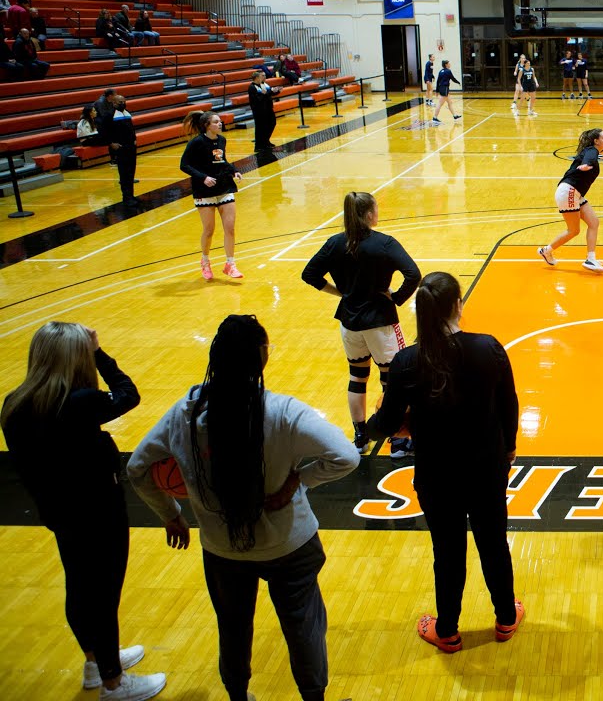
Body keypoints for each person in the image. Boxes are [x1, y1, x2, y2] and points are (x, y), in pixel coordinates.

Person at [128, 314, 360, 701]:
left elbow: (137, 469)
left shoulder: (186, 412)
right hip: (290, 545)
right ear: (262, 358)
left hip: (222, 549)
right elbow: (346, 457)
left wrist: (170, 514)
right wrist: (298, 480)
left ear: (215, 358)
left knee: (233, 627)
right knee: (303, 628)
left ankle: (238, 697)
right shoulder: (283, 412)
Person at [1, 322, 167, 701]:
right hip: (98, 511)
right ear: (76, 358)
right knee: (104, 595)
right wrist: (100, 355)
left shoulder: (15, 403)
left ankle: (95, 662)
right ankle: (114, 682)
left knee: (78, 586)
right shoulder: (79, 402)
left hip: (58, 512)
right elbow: (128, 395)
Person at [367, 272, 524, 653]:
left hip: (437, 476)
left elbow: (384, 425)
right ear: (458, 305)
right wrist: (509, 450)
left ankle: (448, 630)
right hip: (487, 469)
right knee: (493, 542)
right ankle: (505, 617)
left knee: (448, 551)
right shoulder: (489, 348)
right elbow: (509, 404)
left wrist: (375, 425)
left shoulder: (406, 361)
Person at [301, 191, 422, 456]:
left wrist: (339, 293)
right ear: (369, 214)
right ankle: (397, 440)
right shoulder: (384, 243)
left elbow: (309, 273)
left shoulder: (334, 243)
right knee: (392, 382)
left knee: (357, 377)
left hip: (350, 322)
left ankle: (360, 436)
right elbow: (413, 274)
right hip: (380, 322)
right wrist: (397, 297)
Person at [179, 111, 243, 280]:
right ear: (207, 125)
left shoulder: (222, 140)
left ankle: (230, 264)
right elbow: (184, 165)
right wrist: (203, 178)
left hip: (224, 187)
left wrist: (234, 171)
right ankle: (205, 261)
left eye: (220, 121)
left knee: (230, 228)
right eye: (216, 122)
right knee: (209, 230)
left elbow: (222, 161)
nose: (220, 124)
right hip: (204, 190)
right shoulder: (197, 143)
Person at [538, 128, 603, 273]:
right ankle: (546, 251)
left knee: (594, 222)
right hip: (569, 191)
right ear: (596, 141)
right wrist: (587, 165)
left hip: (575, 193)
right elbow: (590, 157)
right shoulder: (591, 150)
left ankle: (591, 258)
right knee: (573, 230)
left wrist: (587, 165)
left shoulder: (591, 151)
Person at [107, 93, 138, 206]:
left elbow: (132, 128)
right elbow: (105, 131)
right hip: (121, 148)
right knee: (124, 173)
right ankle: (126, 197)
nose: (123, 104)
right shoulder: (110, 115)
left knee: (131, 172)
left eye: (124, 101)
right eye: (120, 102)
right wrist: (111, 143)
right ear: (114, 103)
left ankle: (131, 195)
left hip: (131, 147)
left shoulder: (127, 113)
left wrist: (134, 139)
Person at [247, 70, 280, 152]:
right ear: (257, 77)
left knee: (271, 123)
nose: (264, 77)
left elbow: (268, 94)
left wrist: (276, 91)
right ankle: (258, 146)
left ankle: (266, 141)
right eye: (262, 76)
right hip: (259, 110)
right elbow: (257, 99)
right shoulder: (252, 87)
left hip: (268, 108)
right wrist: (264, 94)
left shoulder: (263, 84)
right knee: (260, 128)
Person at [428, 59, 461, 125]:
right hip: (445, 88)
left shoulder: (441, 71)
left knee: (450, 103)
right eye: (449, 63)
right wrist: (458, 82)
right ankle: (435, 118)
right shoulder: (448, 71)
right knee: (440, 104)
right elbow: (453, 78)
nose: (450, 64)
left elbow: (438, 81)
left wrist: (437, 91)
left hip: (442, 88)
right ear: (446, 64)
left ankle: (454, 116)